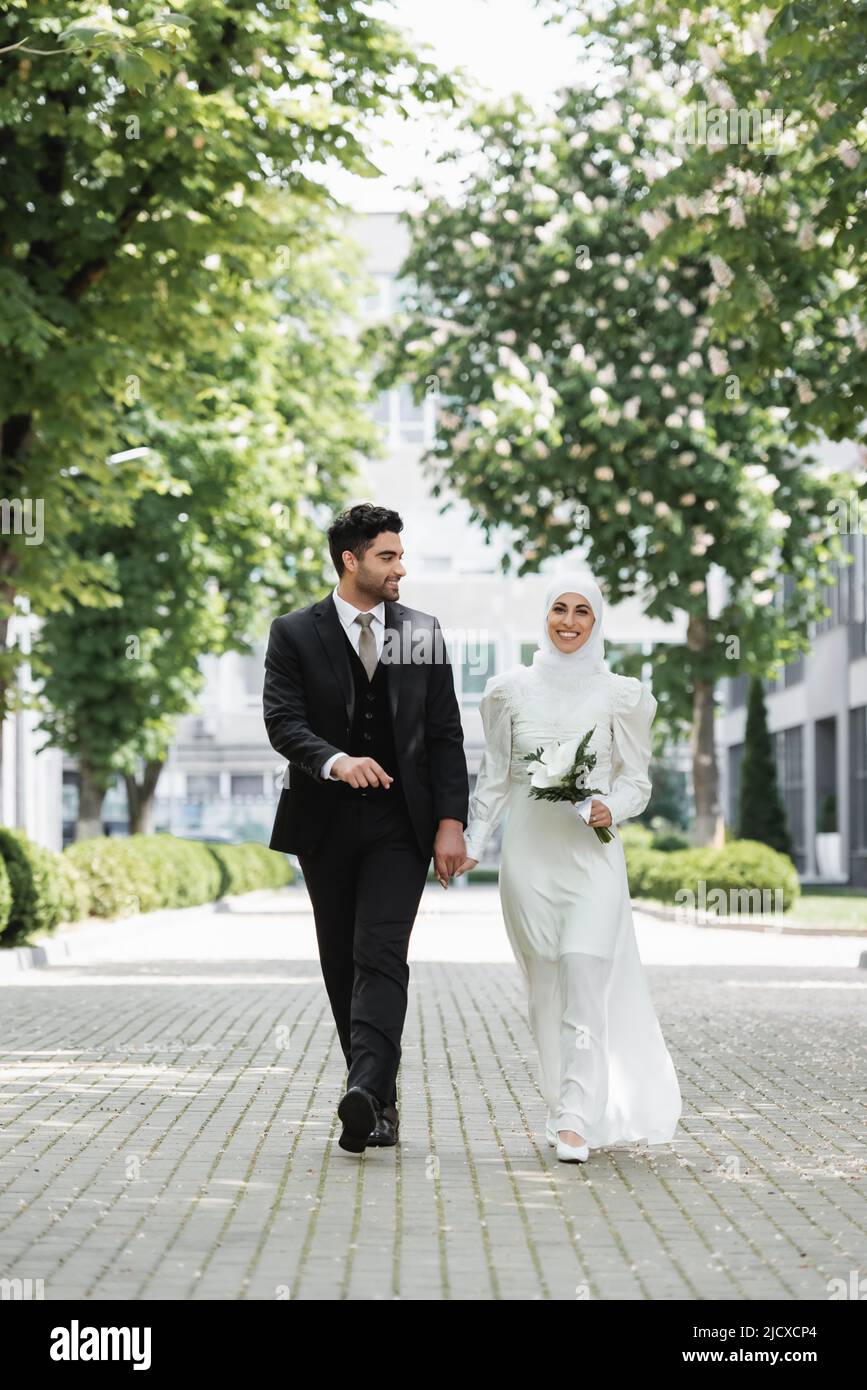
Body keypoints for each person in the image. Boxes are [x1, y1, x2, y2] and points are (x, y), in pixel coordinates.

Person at [263, 504, 469, 1153]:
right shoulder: (295, 632)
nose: (399, 567)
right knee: (339, 963)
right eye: (387, 556)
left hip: (398, 825)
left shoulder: (421, 631)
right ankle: (377, 1099)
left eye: (400, 556)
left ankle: (365, 1091)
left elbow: (443, 736)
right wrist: (335, 760)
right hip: (324, 820)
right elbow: (282, 721)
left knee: (379, 953)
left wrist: (450, 823)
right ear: (350, 560)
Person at [456, 570, 682, 1163]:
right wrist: (472, 839)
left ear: (598, 620)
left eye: (584, 611)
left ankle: (578, 1118)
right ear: (544, 615)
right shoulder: (508, 691)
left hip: (594, 861)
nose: (570, 622)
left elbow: (637, 780)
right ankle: (560, 1105)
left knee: (585, 979)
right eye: (560, 608)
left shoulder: (622, 694)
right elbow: (496, 777)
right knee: (546, 993)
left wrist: (612, 805)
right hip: (529, 864)